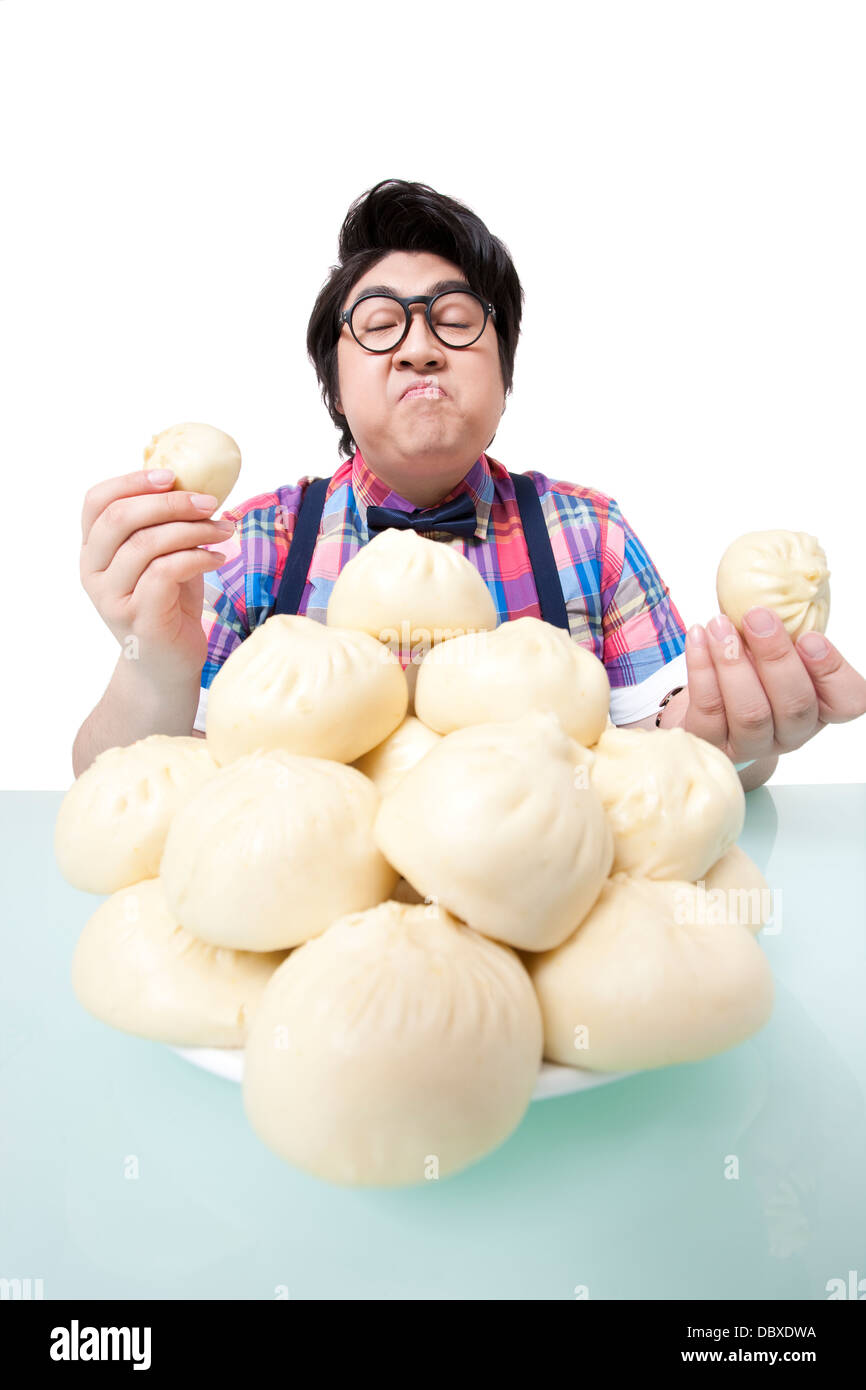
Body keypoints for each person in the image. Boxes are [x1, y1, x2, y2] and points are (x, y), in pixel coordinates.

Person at [74, 179, 866, 784]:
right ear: (334, 388)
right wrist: (153, 665)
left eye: (456, 319)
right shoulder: (246, 544)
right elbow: (129, 787)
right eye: (380, 325)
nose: (420, 349)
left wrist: (739, 733)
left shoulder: (587, 534)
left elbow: (667, 742)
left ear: (505, 374)